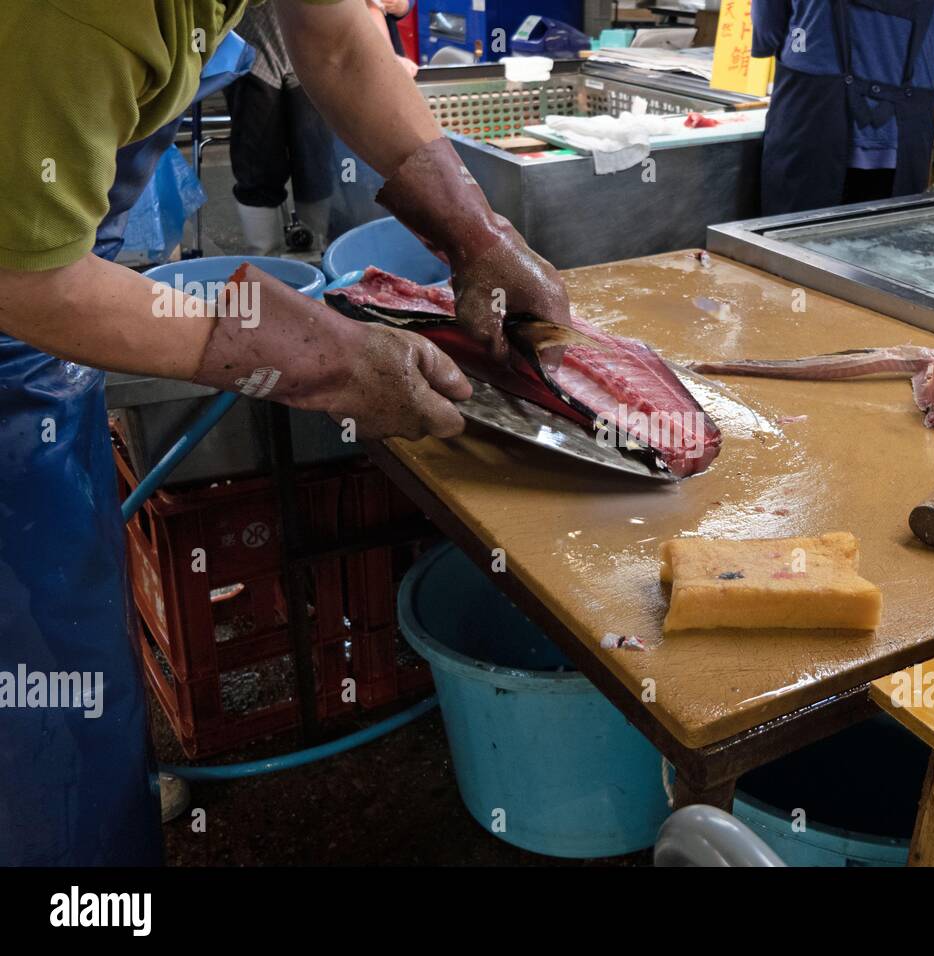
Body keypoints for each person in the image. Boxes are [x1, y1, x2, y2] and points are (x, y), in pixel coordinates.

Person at [0, 0, 569, 866]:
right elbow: (25, 281)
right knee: (28, 699)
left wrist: (473, 228)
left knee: (73, 652)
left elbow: (338, 38)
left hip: (40, 315)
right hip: (25, 294)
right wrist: (317, 364)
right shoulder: (77, 17)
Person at [753, 0, 934, 216]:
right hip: (901, 131)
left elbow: (768, 26)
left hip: (812, 115)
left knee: (792, 240)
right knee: (885, 242)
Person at [224, 2, 336, 253]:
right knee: (257, 161)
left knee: (316, 162)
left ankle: (316, 252)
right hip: (250, 49)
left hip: (312, 47)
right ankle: (264, 256)